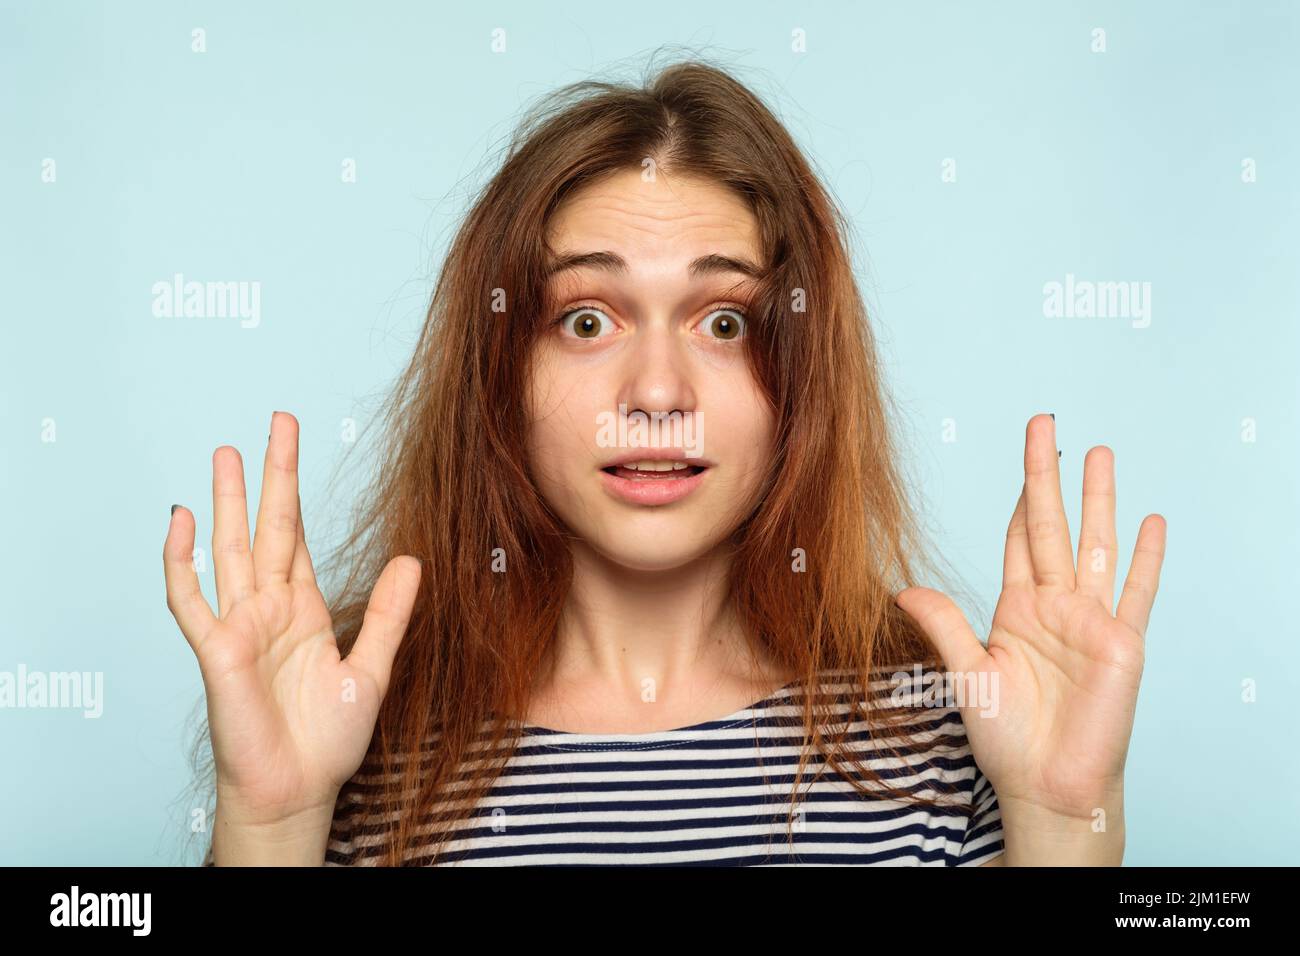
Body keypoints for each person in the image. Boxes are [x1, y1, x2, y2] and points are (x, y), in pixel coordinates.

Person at [163, 57, 1166, 866]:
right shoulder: (348, 727)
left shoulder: (944, 741)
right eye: (587, 318)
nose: (655, 392)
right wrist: (270, 828)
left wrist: (1065, 825)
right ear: (502, 370)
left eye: (724, 319)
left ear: (798, 375)